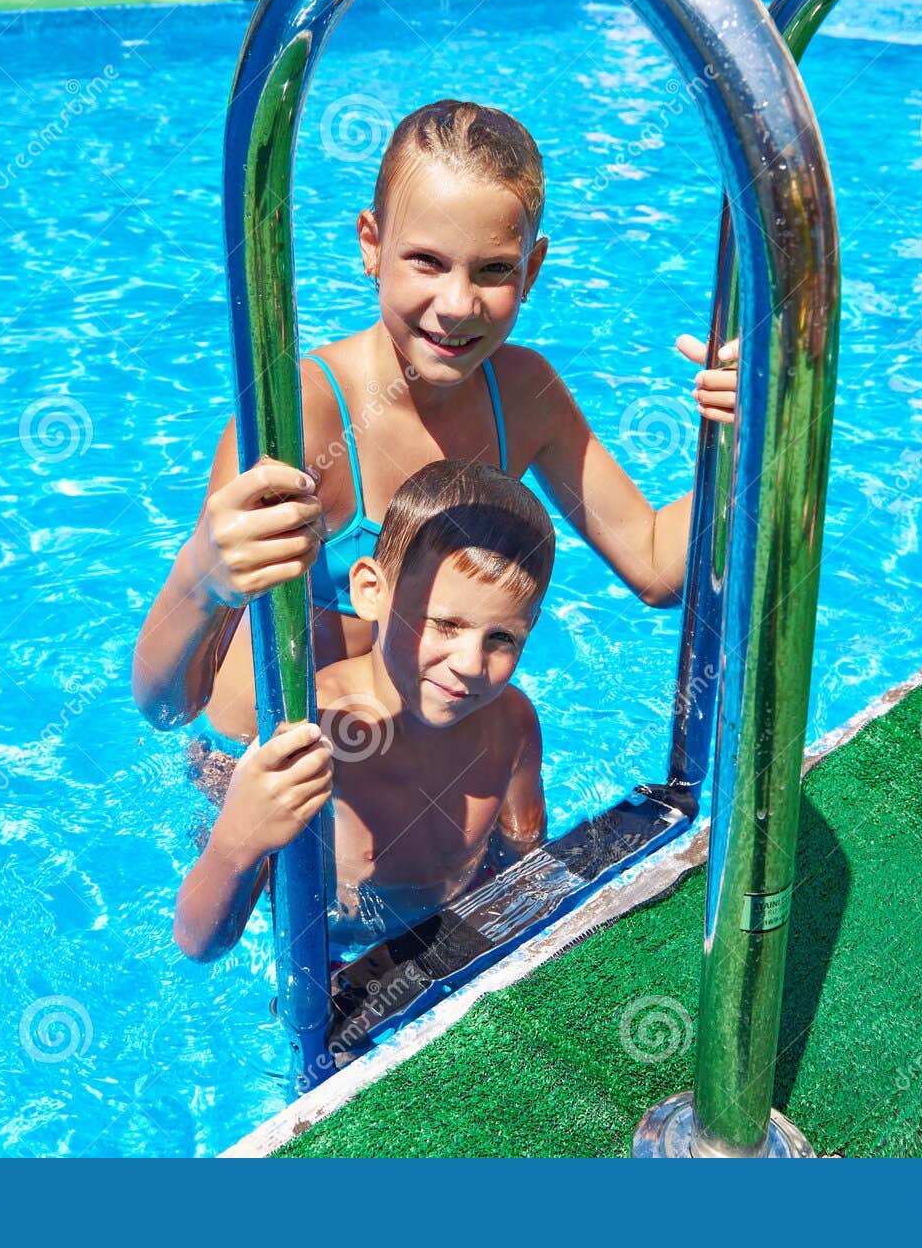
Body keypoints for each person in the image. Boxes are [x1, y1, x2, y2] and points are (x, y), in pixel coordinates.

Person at [132, 99, 740, 764]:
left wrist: (748, 434)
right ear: (372, 244)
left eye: (493, 270)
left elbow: (656, 568)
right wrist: (202, 575)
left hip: (413, 783)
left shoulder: (523, 395)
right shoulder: (302, 419)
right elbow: (169, 705)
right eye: (426, 260)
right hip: (259, 776)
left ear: (531, 271)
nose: (457, 305)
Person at [173, 459, 553, 963]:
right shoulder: (309, 739)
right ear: (370, 590)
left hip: (443, 936)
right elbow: (199, 943)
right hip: (339, 954)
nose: (469, 665)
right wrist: (238, 839)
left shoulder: (512, 727)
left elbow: (524, 861)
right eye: (444, 624)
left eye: (501, 638)